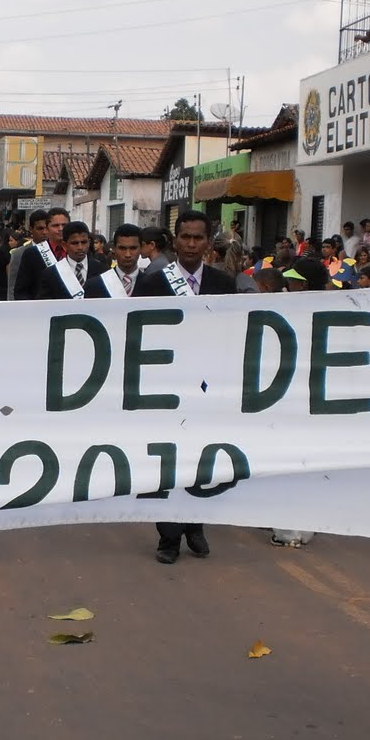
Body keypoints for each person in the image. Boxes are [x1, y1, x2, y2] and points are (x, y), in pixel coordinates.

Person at [132, 209, 233, 563]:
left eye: (198, 237)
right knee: (169, 462)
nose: (191, 244)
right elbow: (137, 334)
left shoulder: (224, 285)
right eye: (185, 237)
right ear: (174, 241)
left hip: (208, 389)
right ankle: (169, 537)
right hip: (166, 388)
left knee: (202, 459)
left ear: (208, 242)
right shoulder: (151, 283)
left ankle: (195, 525)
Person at [88, 223, 143, 297]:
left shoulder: (155, 286)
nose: (128, 254)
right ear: (114, 248)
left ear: (141, 248)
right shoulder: (95, 286)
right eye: (122, 248)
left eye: (133, 248)